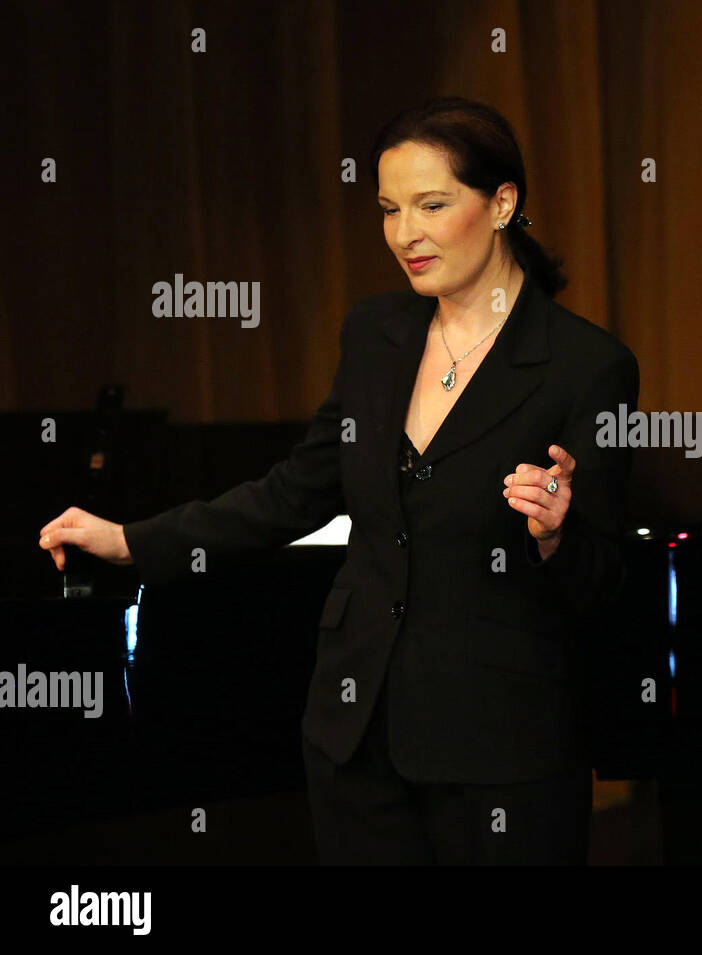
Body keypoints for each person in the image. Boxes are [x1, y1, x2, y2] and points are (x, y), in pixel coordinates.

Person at [37, 96, 640, 865]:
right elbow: (296, 490)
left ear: (502, 204)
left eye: (432, 205)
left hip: (500, 755)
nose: (405, 234)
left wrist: (557, 533)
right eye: (389, 209)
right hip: (355, 740)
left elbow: (605, 579)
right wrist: (132, 541)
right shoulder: (376, 334)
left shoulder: (587, 366)